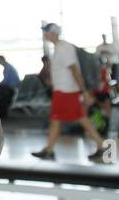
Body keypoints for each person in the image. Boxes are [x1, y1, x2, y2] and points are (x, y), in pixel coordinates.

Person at [32, 23, 108, 162]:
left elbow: (74, 70)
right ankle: (49, 149)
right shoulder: (60, 48)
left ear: (53, 33)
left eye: (46, 32)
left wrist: (84, 91)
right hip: (64, 90)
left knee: (64, 119)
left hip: (66, 92)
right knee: (65, 119)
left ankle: (49, 150)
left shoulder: (64, 48)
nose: (44, 35)